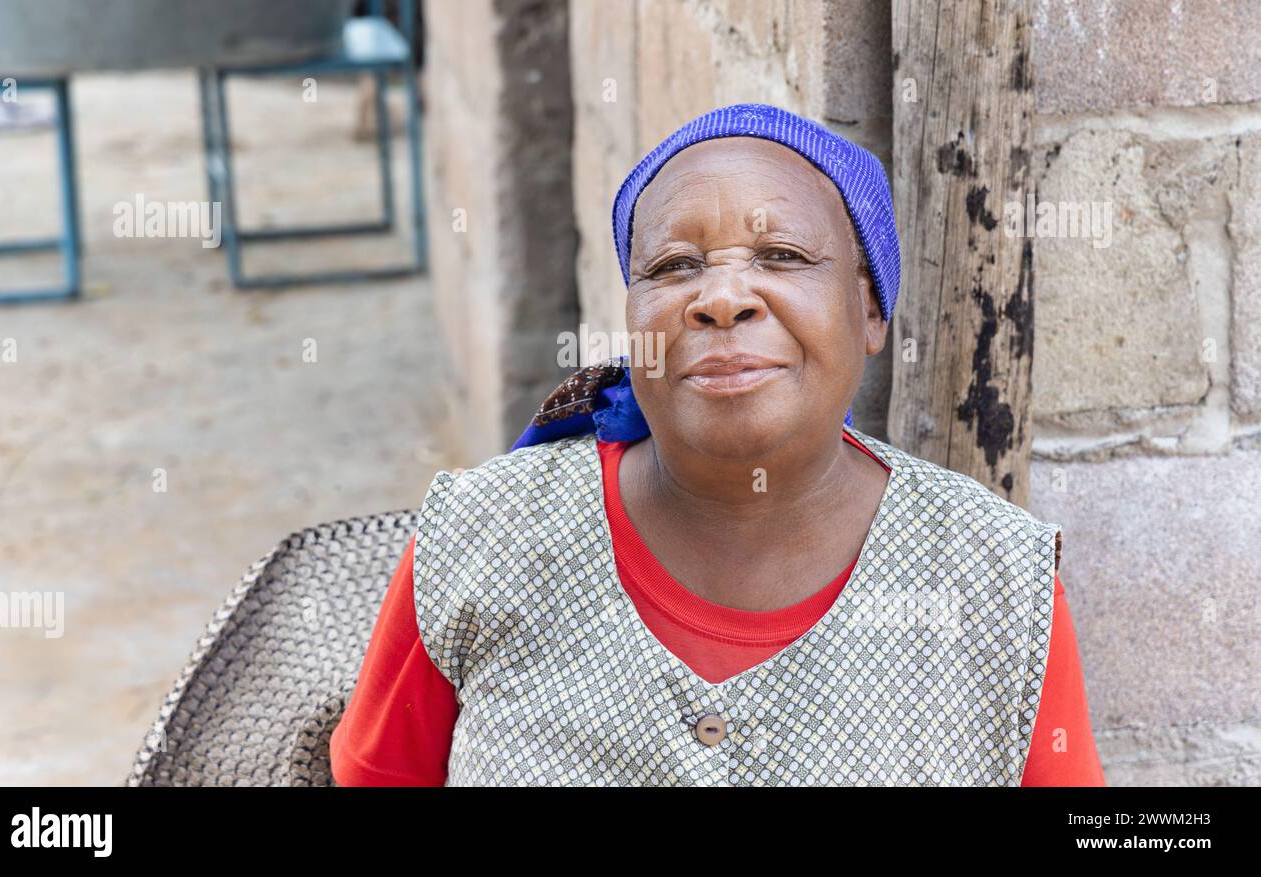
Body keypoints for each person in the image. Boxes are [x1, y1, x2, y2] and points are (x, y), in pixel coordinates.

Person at [330, 102, 1105, 786]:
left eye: (782, 257)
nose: (724, 297)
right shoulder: (480, 537)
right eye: (675, 266)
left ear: (870, 311)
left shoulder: (998, 585)